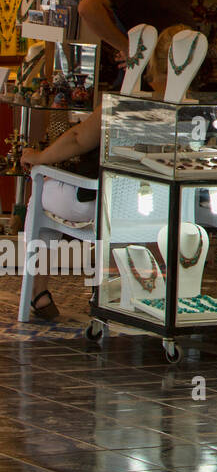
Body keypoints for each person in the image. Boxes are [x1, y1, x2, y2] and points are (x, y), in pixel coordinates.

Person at [19, 26, 183, 320]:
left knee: (40, 185)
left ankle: (37, 293)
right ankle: (114, 289)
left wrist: (38, 158)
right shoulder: (192, 107)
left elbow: (78, 138)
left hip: (100, 203)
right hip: (158, 206)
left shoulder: (125, 104)